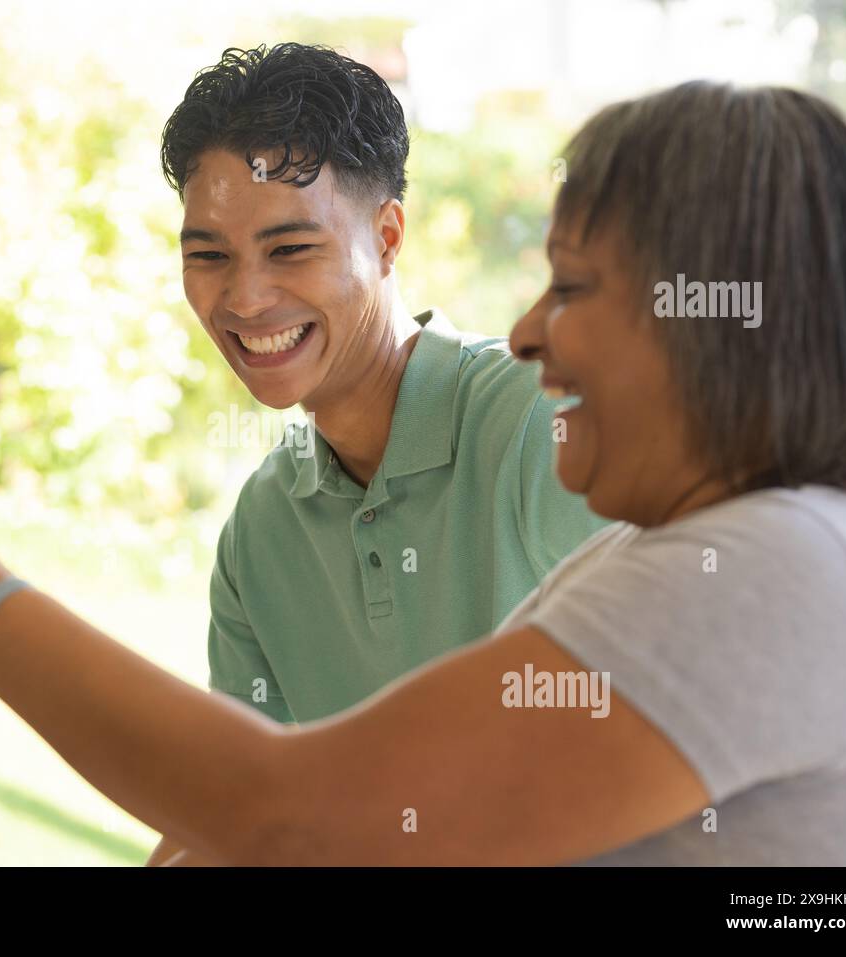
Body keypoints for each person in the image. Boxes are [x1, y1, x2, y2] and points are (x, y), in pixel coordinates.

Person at [0, 81, 846, 865]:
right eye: (209, 254)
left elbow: (299, 816)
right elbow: (241, 828)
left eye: (574, 288)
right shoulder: (725, 551)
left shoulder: (777, 566)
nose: (528, 331)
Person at [154, 43, 607, 863]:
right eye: (209, 255)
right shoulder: (260, 533)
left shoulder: (540, 428)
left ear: (388, 236)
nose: (245, 298)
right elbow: (235, 815)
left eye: (291, 249)